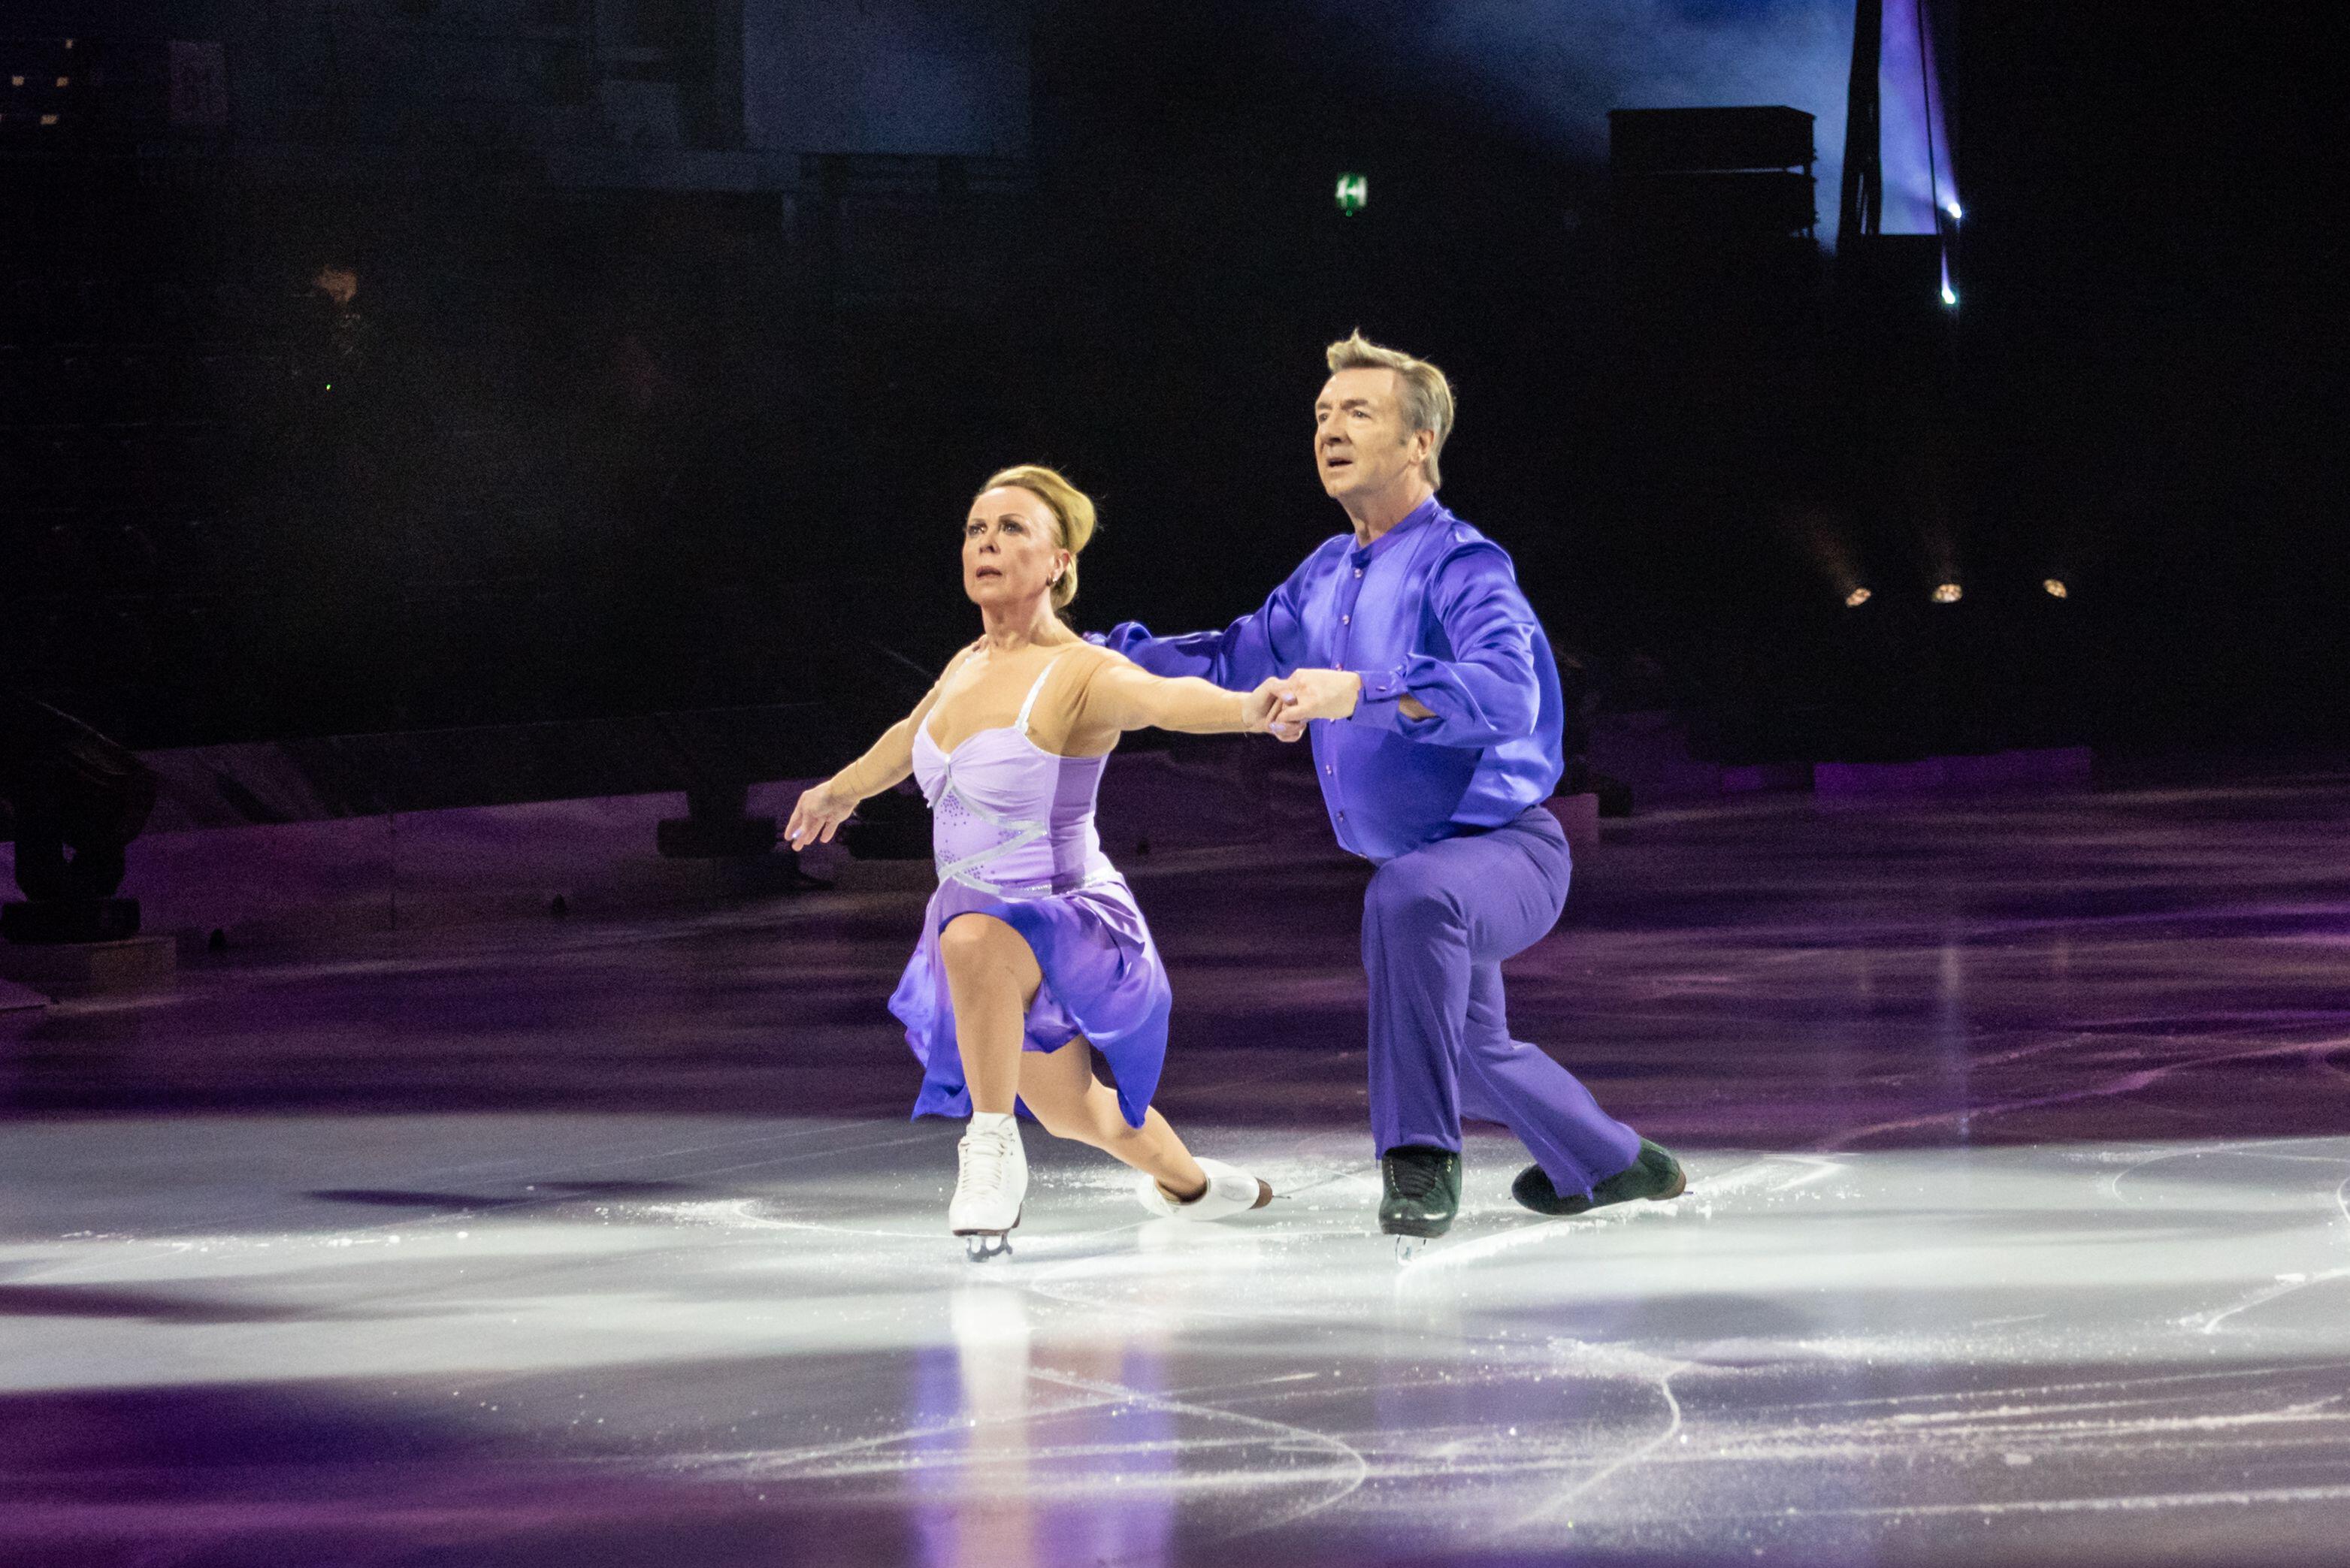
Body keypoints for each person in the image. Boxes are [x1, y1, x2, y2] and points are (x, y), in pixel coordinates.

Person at [1099, 333, 1686, 1247]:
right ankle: (1613, 1161)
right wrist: (1083, 654)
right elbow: (1223, 658)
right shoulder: (1324, 575)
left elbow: (1505, 692)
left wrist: (1358, 692)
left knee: (1405, 896)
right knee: (1466, 1041)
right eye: (1322, 415)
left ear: (1420, 442)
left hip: (1506, 852)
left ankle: (1417, 1153)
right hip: (1423, 874)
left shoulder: (1464, 563)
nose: (1329, 428)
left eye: (1357, 412)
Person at [787, 465, 1281, 1258]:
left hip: (1069, 915)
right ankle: (1190, 1182)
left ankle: (988, 1150)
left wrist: (1247, 710)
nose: (987, 543)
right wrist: (839, 791)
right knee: (1076, 1110)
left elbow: (1160, 699)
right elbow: (909, 734)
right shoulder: (968, 663)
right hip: (991, 921)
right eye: (976, 529)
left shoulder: (1080, 671)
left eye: (1012, 528)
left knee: (969, 936)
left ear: (1059, 559)